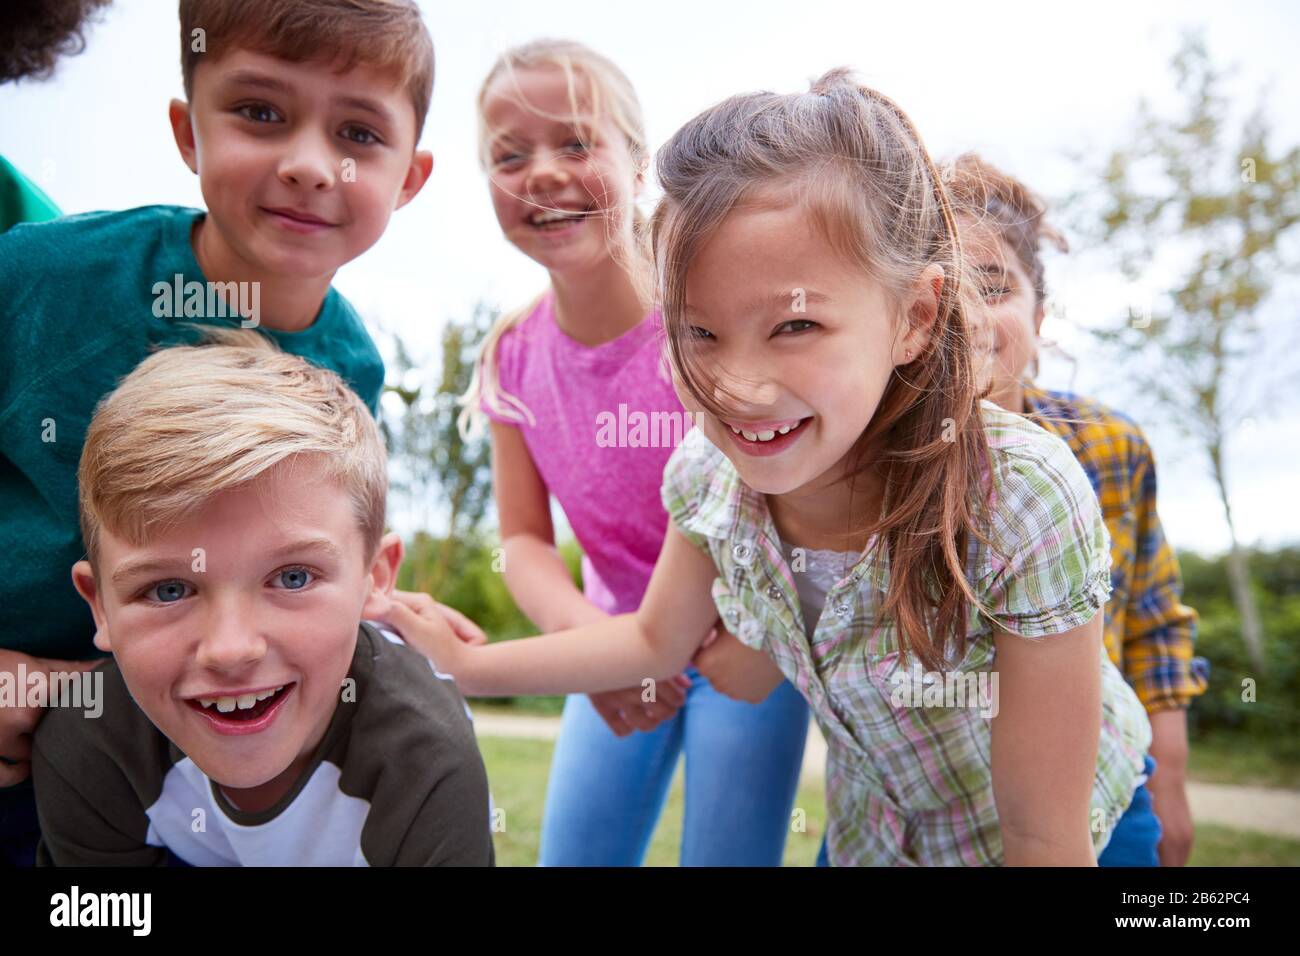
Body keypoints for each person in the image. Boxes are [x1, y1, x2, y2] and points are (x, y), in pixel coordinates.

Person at [388, 69, 1153, 866]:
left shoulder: (1020, 498)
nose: (741, 390)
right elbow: (653, 640)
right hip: (885, 837)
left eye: (795, 325)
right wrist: (466, 664)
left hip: (1073, 831)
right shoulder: (709, 478)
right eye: (699, 334)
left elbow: (1044, 838)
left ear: (914, 318)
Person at [0, 0, 433, 866]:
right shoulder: (39, 279)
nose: (311, 165)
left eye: (358, 133)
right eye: (261, 113)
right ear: (188, 132)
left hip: (150, 765)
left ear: (410, 178)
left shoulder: (354, 372)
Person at [458, 39, 807, 866]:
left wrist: (761, 638)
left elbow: (801, 479)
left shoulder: (713, 317)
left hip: (745, 642)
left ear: (639, 166)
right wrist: (593, 651)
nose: (542, 173)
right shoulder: (511, 355)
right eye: (510, 156)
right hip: (610, 636)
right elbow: (523, 542)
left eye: (576, 144)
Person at [33, 331, 494, 866]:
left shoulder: (428, 762)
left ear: (375, 579)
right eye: (168, 590)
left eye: (294, 577)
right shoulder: (91, 742)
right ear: (100, 605)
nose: (230, 650)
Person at [946, 152, 1208, 866]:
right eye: (943, 288)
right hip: (929, 792)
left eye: (994, 286)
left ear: (1040, 314)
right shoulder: (873, 459)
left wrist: (1173, 780)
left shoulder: (1108, 446)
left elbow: (1153, 616)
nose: (966, 312)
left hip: (1099, 778)